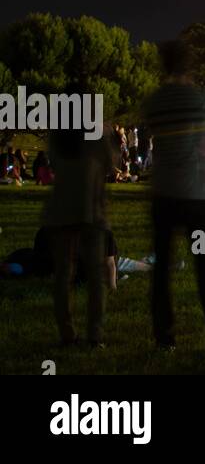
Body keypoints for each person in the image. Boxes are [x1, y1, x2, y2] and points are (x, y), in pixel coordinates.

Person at [143, 39, 205, 354]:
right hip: (194, 195)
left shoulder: (155, 101)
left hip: (162, 193)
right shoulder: (200, 100)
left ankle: (164, 338)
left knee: (162, 269)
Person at [43, 122, 113, 347]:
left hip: (61, 208)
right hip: (90, 208)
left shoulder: (57, 133)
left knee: (63, 275)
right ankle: (95, 335)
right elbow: (110, 164)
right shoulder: (98, 132)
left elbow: (53, 162)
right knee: (95, 277)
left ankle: (67, 333)